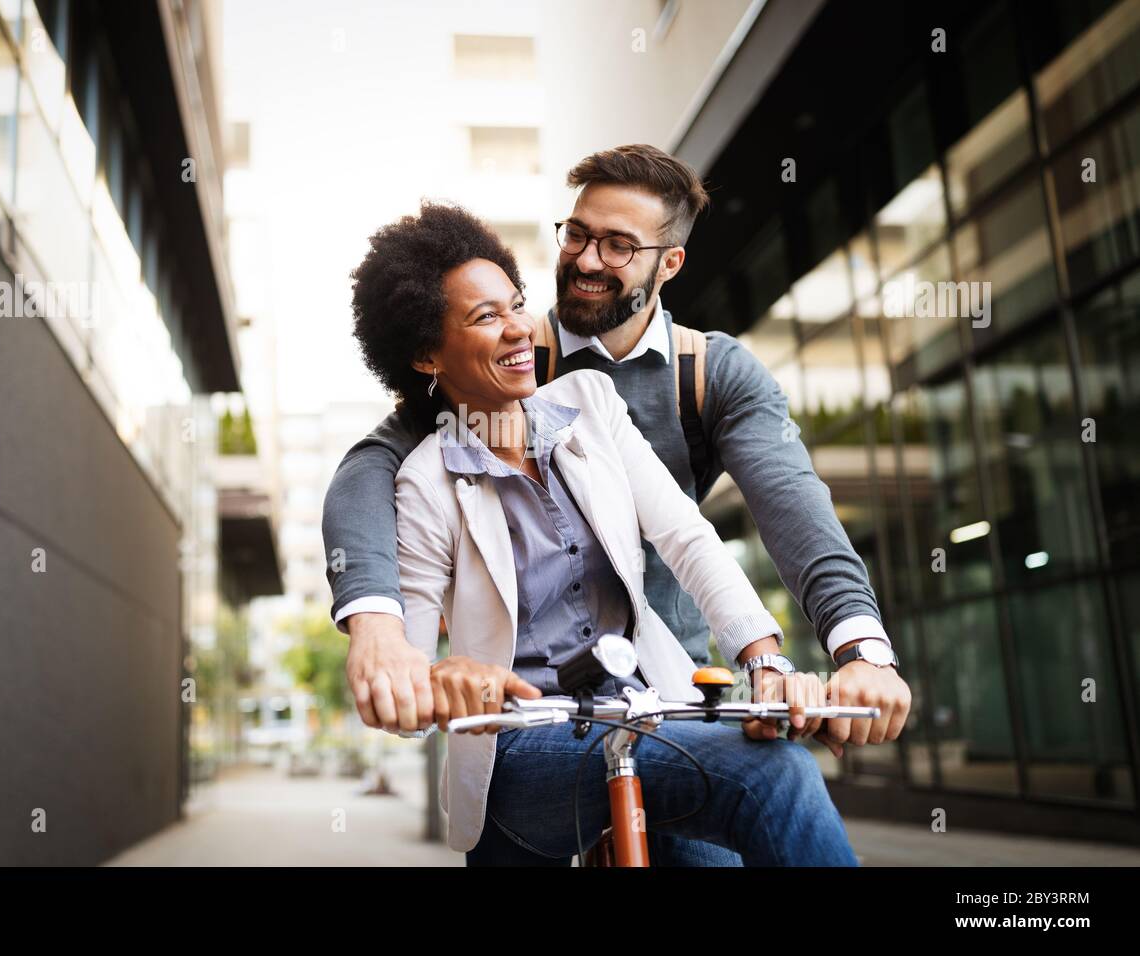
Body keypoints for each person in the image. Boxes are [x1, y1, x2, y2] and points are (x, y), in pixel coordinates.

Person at [327, 144, 911, 865]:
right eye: (577, 234)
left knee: (766, 785)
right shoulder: (451, 436)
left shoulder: (636, 390)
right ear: (428, 354)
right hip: (525, 739)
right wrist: (404, 655)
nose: (587, 261)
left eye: (618, 244)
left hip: (663, 703)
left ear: (668, 264)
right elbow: (369, 484)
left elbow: (706, 535)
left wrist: (784, 659)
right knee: (763, 777)